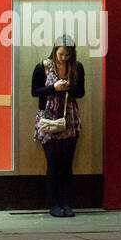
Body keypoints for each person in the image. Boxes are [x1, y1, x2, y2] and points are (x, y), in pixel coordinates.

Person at [32, 36, 85, 217]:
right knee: (53, 163)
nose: (63, 58)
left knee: (67, 164)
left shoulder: (77, 67)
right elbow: (34, 91)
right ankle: (53, 204)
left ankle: (66, 202)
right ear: (54, 50)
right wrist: (54, 87)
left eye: (67, 55)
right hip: (48, 120)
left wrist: (68, 87)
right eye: (61, 54)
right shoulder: (42, 67)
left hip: (69, 119)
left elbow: (81, 92)